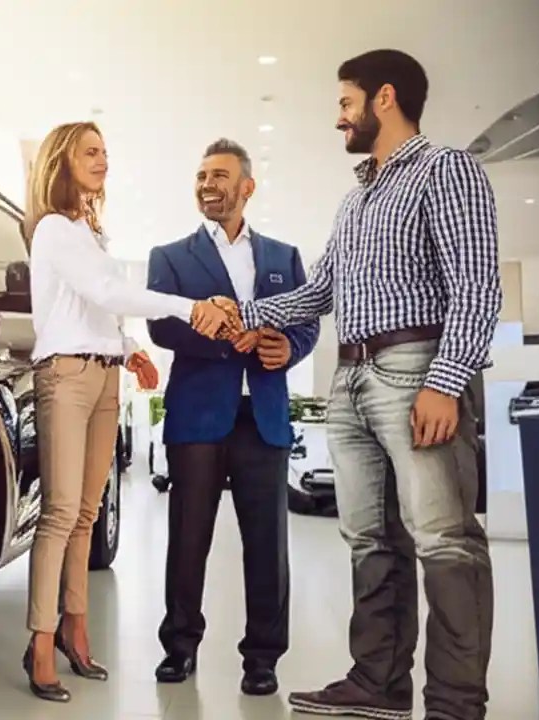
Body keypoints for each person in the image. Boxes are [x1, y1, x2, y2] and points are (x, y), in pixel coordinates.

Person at [228, 50, 499, 720]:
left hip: (415, 374)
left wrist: (446, 379)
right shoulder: (356, 198)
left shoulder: (446, 169)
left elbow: (476, 285)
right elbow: (319, 289)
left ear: (384, 97)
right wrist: (243, 316)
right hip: (349, 380)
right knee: (370, 540)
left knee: (445, 539)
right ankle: (379, 684)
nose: (338, 117)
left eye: (345, 102)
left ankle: (456, 703)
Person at [22, 121, 234, 702]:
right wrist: (191, 308)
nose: (103, 162)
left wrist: (131, 349)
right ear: (62, 161)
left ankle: (76, 629)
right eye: (92, 153)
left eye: (106, 153)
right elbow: (108, 295)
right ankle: (40, 642)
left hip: (103, 375)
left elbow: (100, 311)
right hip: (65, 376)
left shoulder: (91, 234)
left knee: (87, 515)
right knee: (61, 514)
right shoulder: (54, 230)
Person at [147, 138, 319, 696]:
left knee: (267, 542)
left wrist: (288, 348)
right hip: (198, 415)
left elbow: (307, 318)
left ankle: (263, 658)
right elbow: (161, 327)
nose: (207, 184)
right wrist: (227, 338)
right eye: (200, 175)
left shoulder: (282, 257)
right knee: (188, 536)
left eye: (219, 175)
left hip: (263, 414)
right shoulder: (169, 257)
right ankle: (179, 646)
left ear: (247, 185)